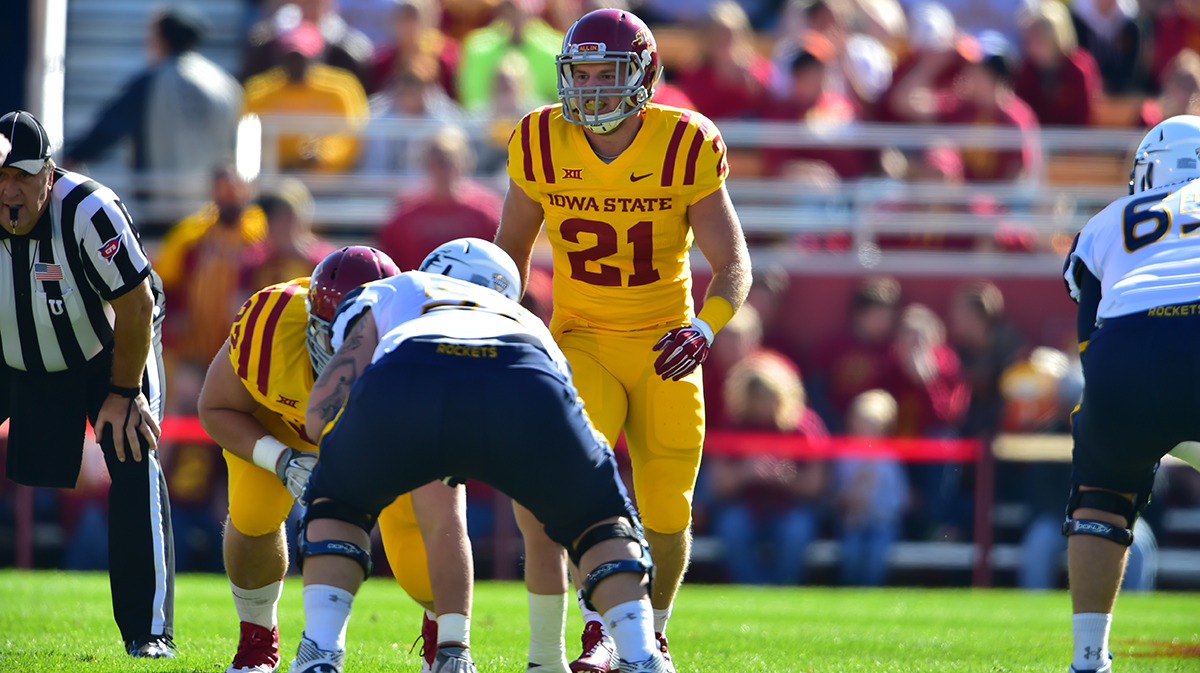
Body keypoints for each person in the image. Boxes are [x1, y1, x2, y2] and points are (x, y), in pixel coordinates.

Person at [492, 9, 752, 672]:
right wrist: (498, 318)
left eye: (606, 76)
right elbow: (509, 254)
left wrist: (704, 325)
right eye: (579, 74)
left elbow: (732, 264)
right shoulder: (540, 139)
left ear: (645, 77)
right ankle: (595, 631)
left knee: (668, 512)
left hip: (666, 343)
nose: (591, 89)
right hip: (581, 338)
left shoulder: (686, 141)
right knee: (575, 486)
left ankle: (652, 629)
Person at [291, 239, 667, 673]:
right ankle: (641, 656)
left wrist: (341, 467)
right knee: (601, 525)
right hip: (525, 374)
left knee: (338, 505)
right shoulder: (528, 319)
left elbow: (333, 393)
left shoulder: (400, 287)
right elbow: (562, 403)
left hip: (414, 367)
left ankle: (320, 651)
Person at [198, 246, 474, 673]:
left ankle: (442, 640)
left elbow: (447, 519)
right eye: (344, 332)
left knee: (419, 556)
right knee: (251, 517)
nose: (356, 346)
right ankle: (258, 641)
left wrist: (458, 640)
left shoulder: (425, 351)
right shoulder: (270, 327)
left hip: (384, 440)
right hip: (284, 426)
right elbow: (215, 407)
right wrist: (282, 459)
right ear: (313, 324)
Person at [0, 110, 175, 657]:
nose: (10, 192)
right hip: (9, 351)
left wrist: (125, 394)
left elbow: (137, 303)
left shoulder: (89, 210)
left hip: (108, 351)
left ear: (49, 175)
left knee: (132, 452)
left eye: (23, 177)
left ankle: (149, 633)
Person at [1060, 114, 1200, 673]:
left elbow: (1088, 328)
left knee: (1101, 497)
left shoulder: (1108, 219)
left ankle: (1088, 659)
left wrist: (1120, 410)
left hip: (1128, 343)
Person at [63, 4, 242, 203]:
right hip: (211, 207)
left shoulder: (153, 81)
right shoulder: (225, 83)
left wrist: (73, 157)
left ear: (162, 38)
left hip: (161, 204)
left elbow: (109, 128)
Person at [242, 21, 370, 173]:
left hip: (331, 183)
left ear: (317, 57)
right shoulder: (258, 90)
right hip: (274, 179)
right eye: (291, 57)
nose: (296, 64)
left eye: (302, 58)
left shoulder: (342, 88)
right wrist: (286, 161)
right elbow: (248, 138)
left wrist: (323, 157)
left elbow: (352, 136)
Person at [375, 125, 502, 271]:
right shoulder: (405, 214)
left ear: (463, 162)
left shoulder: (485, 213)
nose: (442, 169)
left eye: (448, 160)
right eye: (437, 160)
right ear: (425, 163)